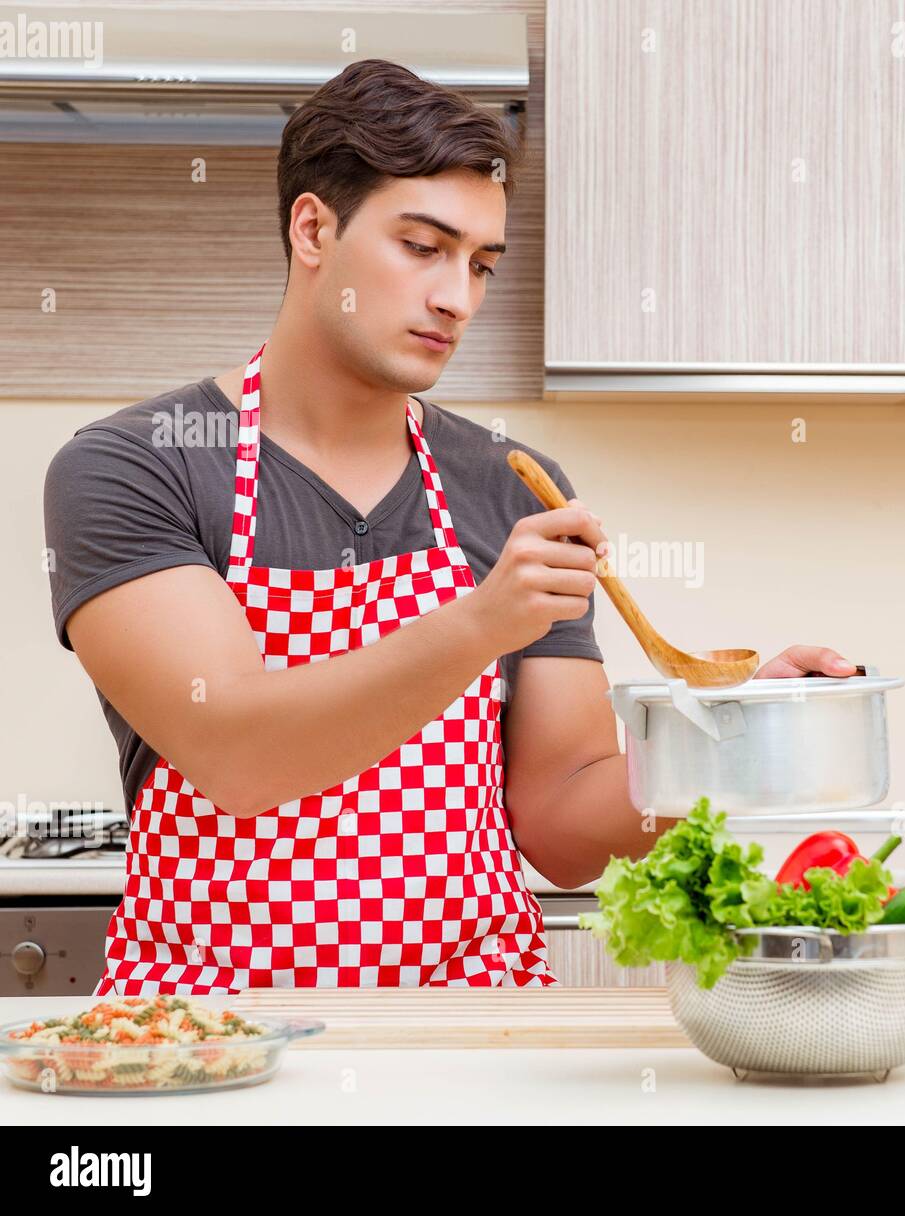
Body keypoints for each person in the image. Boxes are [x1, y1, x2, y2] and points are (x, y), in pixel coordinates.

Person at [42, 59, 860, 996]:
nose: (458, 298)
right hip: (213, 1041)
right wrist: (481, 624)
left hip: (476, 1029)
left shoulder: (510, 486)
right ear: (313, 228)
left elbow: (558, 828)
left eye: (479, 264)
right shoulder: (135, 465)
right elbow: (241, 755)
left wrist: (738, 732)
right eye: (423, 247)